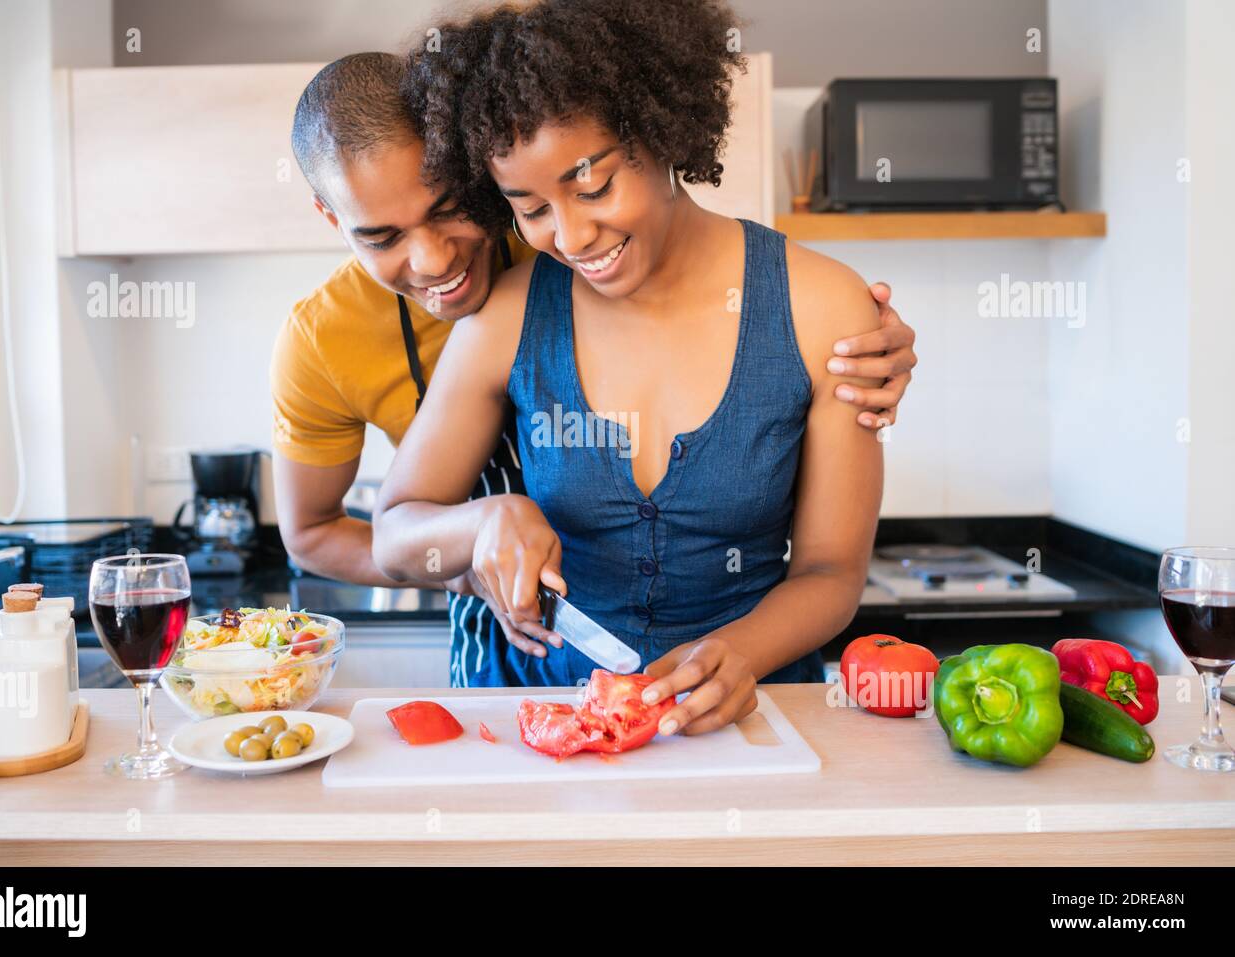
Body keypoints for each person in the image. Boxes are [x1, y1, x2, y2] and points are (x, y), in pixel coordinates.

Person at [274, 47, 918, 690]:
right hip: (528, 667)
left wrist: (740, 651)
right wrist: (475, 542)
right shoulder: (359, 333)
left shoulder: (814, 303)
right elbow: (342, 533)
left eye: (448, 209)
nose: (433, 258)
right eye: (382, 238)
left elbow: (831, 571)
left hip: (756, 704)